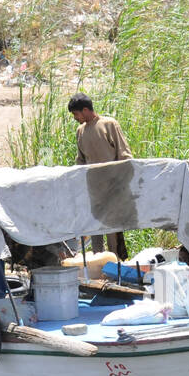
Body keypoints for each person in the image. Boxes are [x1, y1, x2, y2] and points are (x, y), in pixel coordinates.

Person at [68, 92, 133, 258]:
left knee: (113, 233)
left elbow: (124, 155)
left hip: (113, 189)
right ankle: (98, 266)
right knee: (94, 230)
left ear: (85, 110)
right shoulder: (80, 131)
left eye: (76, 114)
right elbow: (81, 161)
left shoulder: (109, 124)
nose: (75, 118)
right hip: (93, 192)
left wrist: (121, 184)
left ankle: (116, 267)